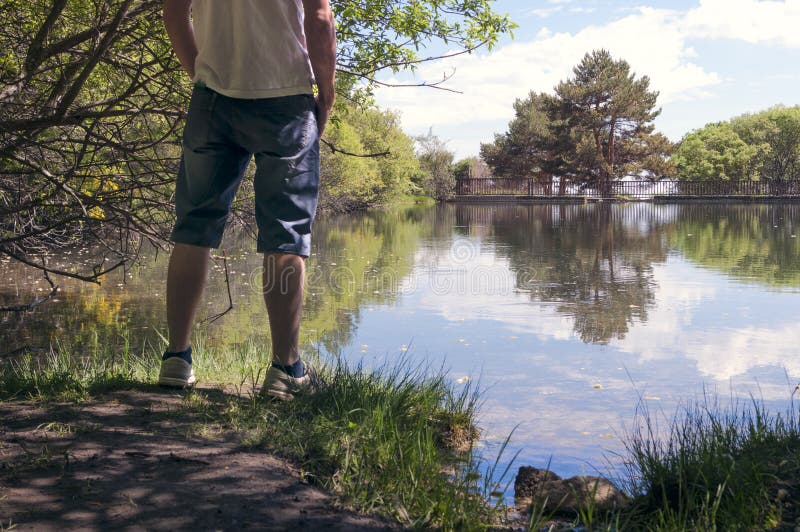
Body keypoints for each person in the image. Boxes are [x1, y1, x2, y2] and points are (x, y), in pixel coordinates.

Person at [158, 0, 336, 400]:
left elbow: (173, 13)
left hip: (212, 99)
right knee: (285, 233)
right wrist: (326, 95)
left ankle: (176, 359)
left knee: (194, 228)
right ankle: (285, 369)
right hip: (286, 99)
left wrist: (201, 75)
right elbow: (320, 18)